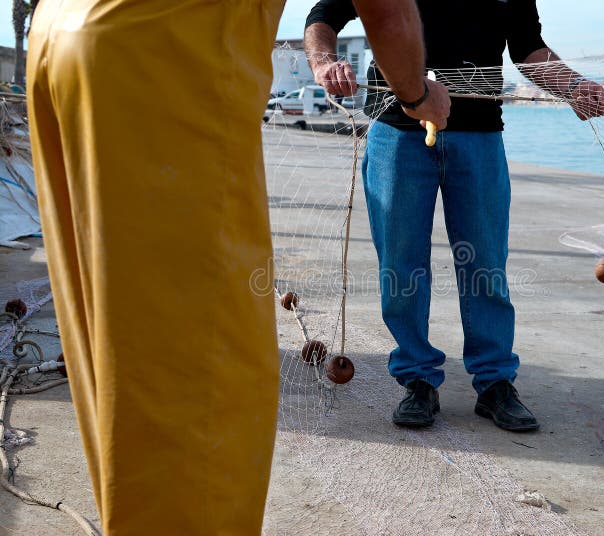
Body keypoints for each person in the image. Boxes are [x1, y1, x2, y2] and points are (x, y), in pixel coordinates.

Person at [26, 0, 449, 533]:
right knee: (204, 368)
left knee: (123, 343)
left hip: (60, 33)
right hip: (163, 54)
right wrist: (418, 95)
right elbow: (387, 11)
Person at [305, 0, 604, 432]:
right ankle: (417, 378)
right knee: (401, 261)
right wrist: (325, 63)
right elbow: (325, 13)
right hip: (397, 132)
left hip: (480, 135)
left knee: (486, 261)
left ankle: (495, 382)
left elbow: (529, 50)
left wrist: (574, 86)